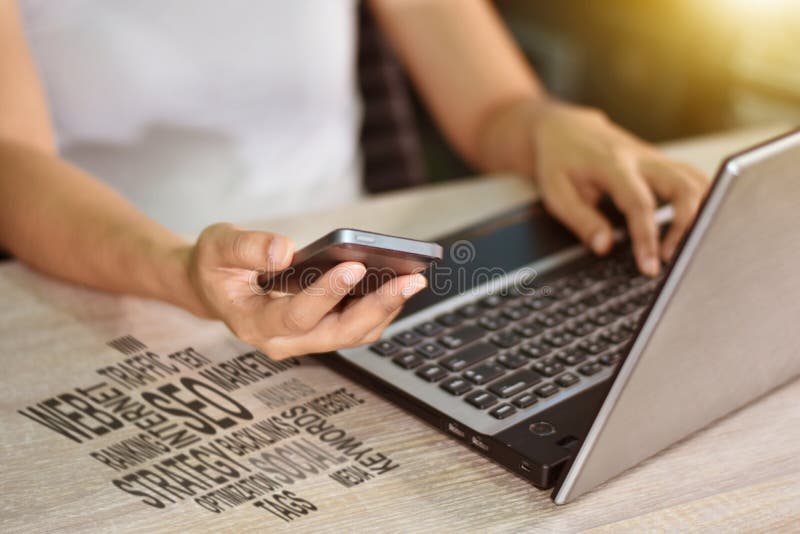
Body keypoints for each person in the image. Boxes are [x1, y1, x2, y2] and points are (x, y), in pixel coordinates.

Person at [0, 0, 708, 360]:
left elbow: (493, 105)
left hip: (360, 297)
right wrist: (182, 273)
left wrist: (548, 125)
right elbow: (13, 165)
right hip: (119, 292)